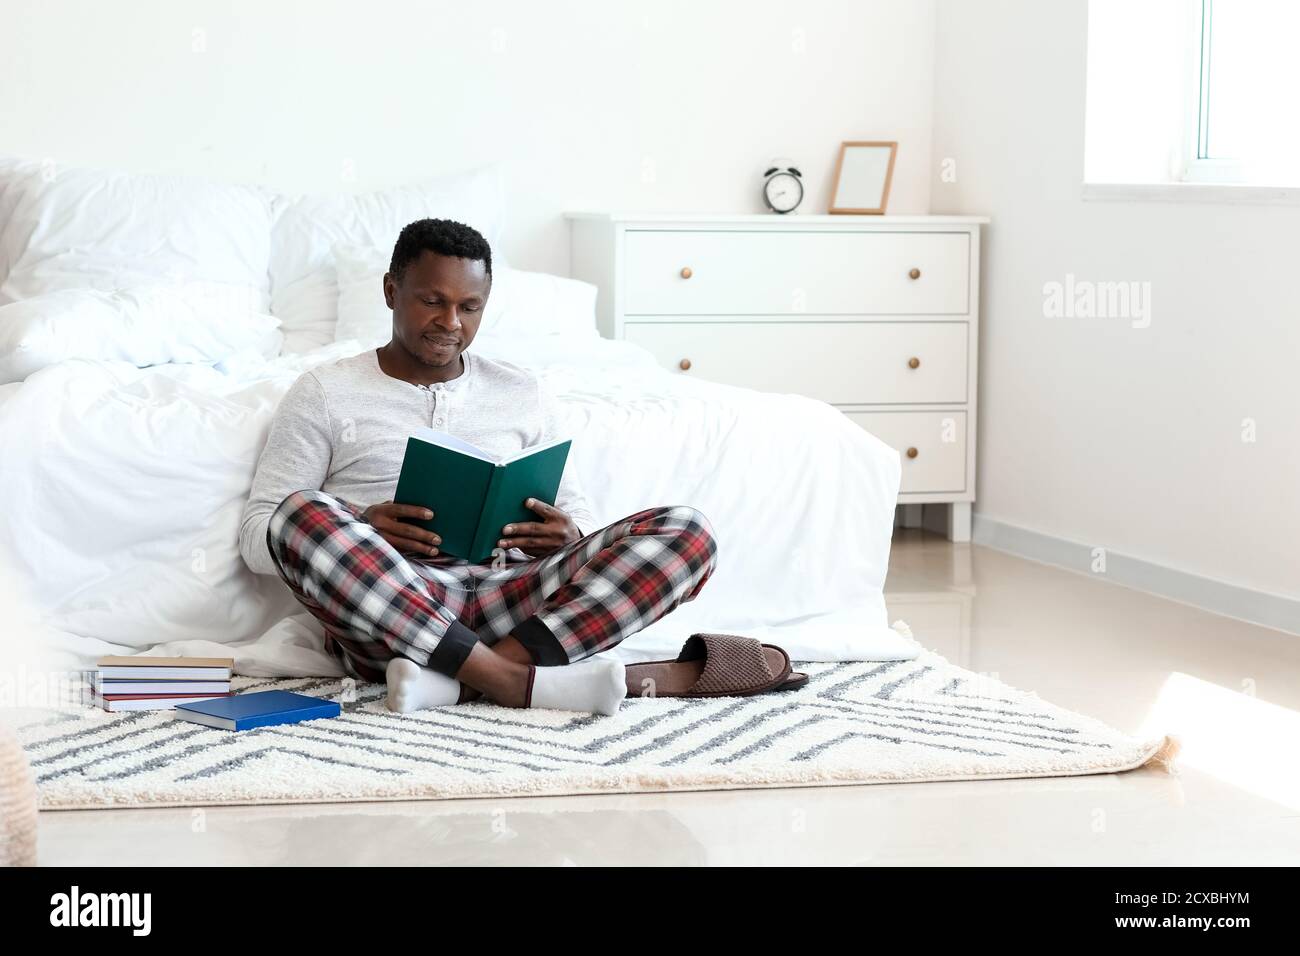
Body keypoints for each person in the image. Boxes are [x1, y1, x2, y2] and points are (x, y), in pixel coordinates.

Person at [238, 218, 718, 716]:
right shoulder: (323, 392)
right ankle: (511, 680)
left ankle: (472, 678)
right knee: (299, 513)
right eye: (432, 301)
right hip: (394, 606)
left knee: (687, 532)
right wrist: (364, 524)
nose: (451, 322)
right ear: (391, 290)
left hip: (515, 600)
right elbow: (260, 536)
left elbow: (579, 515)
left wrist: (570, 533)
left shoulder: (524, 392)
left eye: (469, 307)